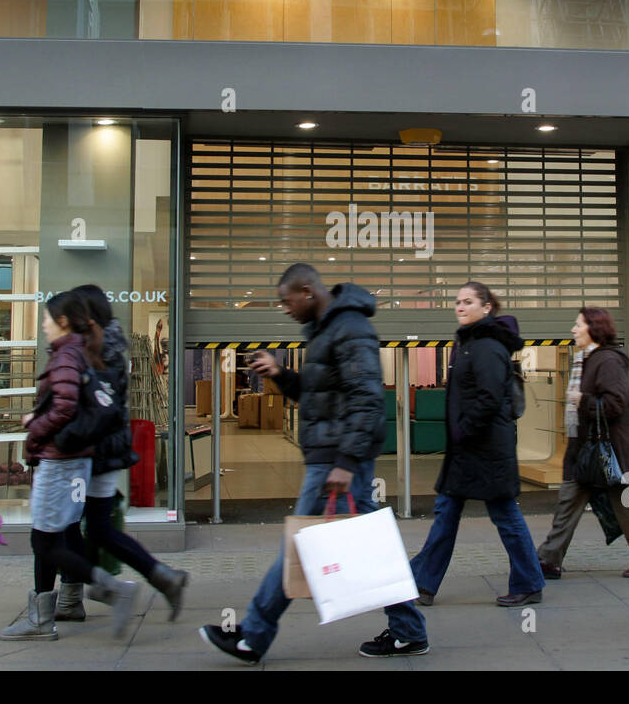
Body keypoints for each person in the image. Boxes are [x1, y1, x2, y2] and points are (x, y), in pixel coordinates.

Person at [199, 264, 428, 662]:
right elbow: (320, 396)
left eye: (287, 301)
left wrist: (345, 462)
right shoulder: (326, 330)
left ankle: (252, 637)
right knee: (364, 548)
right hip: (334, 457)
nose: (284, 309)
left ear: (307, 291)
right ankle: (409, 631)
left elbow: (368, 398)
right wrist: (281, 374)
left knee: (302, 546)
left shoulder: (350, 327)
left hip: (337, 462)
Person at [0, 291, 138, 641]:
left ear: (63, 322)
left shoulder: (66, 356)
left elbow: (65, 408)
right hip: (70, 461)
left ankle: (106, 591)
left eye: (46, 319)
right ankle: (51, 613)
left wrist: (36, 427)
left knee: (46, 541)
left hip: (59, 460)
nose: (43, 325)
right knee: (53, 537)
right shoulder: (80, 353)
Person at [52, 285, 187, 623]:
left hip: (86, 454)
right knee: (96, 529)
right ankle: (159, 576)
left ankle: (90, 592)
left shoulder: (88, 351)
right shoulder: (109, 347)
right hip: (105, 451)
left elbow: (78, 406)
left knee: (59, 529)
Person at [410, 282, 545, 605]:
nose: (460, 307)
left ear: (487, 308)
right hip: (469, 448)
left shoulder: (486, 345)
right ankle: (422, 584)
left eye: (468, 302)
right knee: (446, 513)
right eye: (457, 301)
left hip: (485, 449)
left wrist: (462, 430)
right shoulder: (469, 343)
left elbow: (488, 397)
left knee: (505, 515)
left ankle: (528, 583)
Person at [536, 307, 629, 579]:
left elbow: (617, 403)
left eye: (578, 324)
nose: (573, 329)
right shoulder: (588, 359)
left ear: (594, 328)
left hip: (605, 450)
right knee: (569, 503)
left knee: (625, 506)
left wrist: (584, 401)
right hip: (586, 446)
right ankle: (548, 559)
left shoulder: (607, 361)